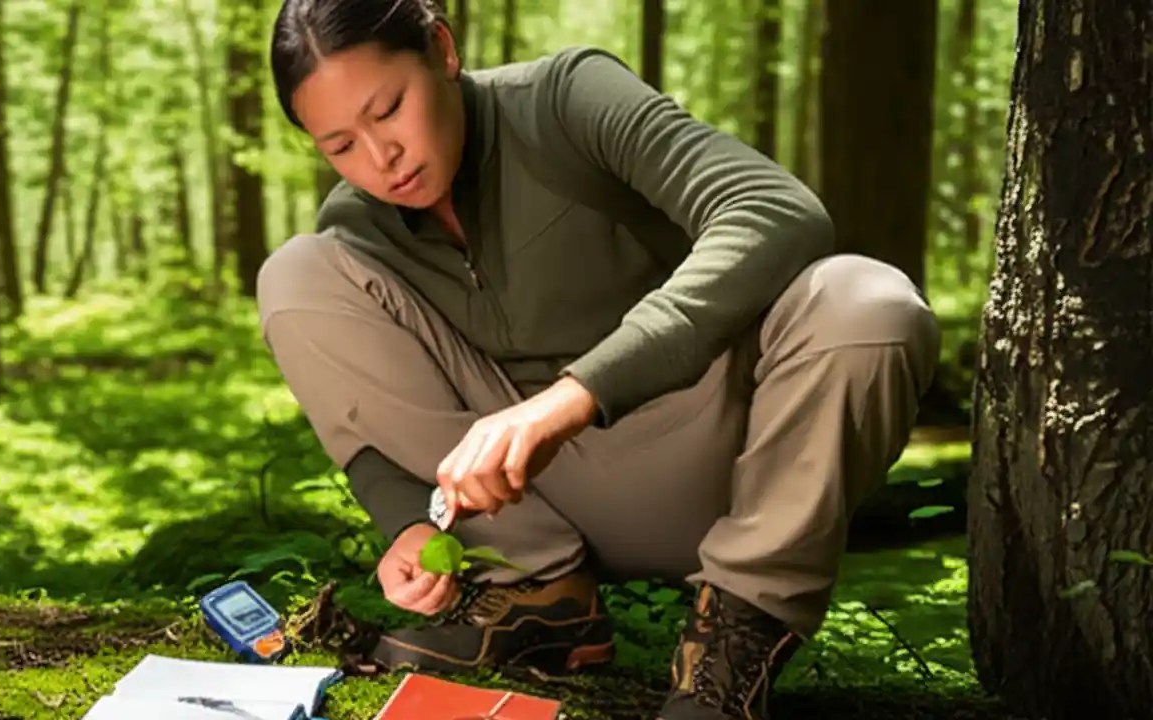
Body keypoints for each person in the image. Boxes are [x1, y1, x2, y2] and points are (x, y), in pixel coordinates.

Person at [258, 1, 940, 718]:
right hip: (541, 500)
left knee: (869, 305)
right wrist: (408, 521)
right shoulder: (358, 232)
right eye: (340, 145)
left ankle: (731, 648)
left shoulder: (563, 99)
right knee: (296, 274)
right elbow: (369, 411)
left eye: (389, 109)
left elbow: (775, 209)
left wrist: (574, 393)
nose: (379, 158)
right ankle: (543, 603)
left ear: (442, 50)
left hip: (730, 455)